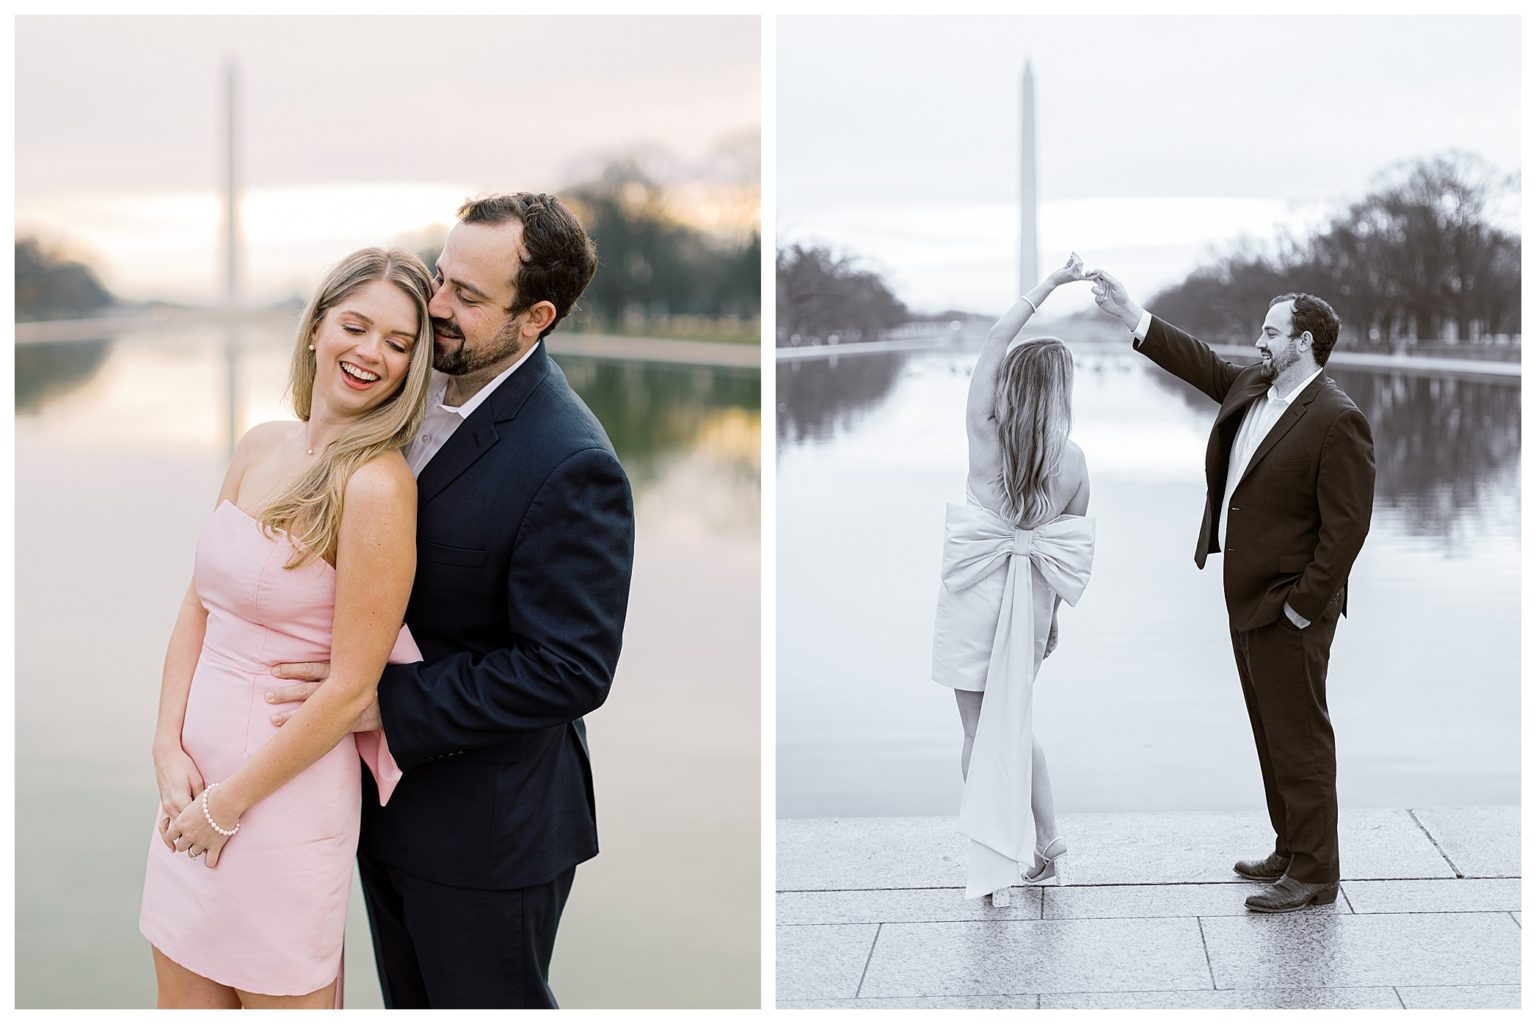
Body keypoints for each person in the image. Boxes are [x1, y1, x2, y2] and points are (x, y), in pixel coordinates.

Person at [267, 193, 636, 1008]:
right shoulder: (401, 392)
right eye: (441, 277)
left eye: (468, 296)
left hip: (489, 837)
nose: (435, 306)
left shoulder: (571, 462)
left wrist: (371, 702)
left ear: (535, 317)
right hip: (382, 813)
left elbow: (570, 669)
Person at [140, 247, 437, 1007]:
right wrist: (166, 747)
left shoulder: (378, 485)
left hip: (276, 804)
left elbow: (348, 691)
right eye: (356, 325)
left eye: (399, 344)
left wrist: (228, 804)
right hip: (189, 789)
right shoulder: (258, 446)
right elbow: (196, 605)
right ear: (316, 329)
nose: (371, 352)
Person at [1089, 269, 1374, 913]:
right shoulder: (1252, 387)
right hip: (1245, 598)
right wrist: (1132, 314)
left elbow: (1348, 528)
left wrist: (1303, 607)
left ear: (1303, 343)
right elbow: (1199, 363)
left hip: (1289, 608)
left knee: (1300, 738)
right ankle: (1289, 849)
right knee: (1272, 732)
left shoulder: (1336, 418)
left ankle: (1316, 875)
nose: (1258, 342)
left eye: (1271, 333)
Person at [931, 254, 1095, 906]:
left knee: (978, 732)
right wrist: (1050, 619)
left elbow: (995, 340)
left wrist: (1049, 285)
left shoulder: (985, 434)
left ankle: (995, 861)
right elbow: (1068, 547)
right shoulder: (1074, 460)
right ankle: (1047, 843)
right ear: (1060, 392)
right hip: (1029, 597)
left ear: (1011, 384)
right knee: (1016, 723)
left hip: (977, 589)